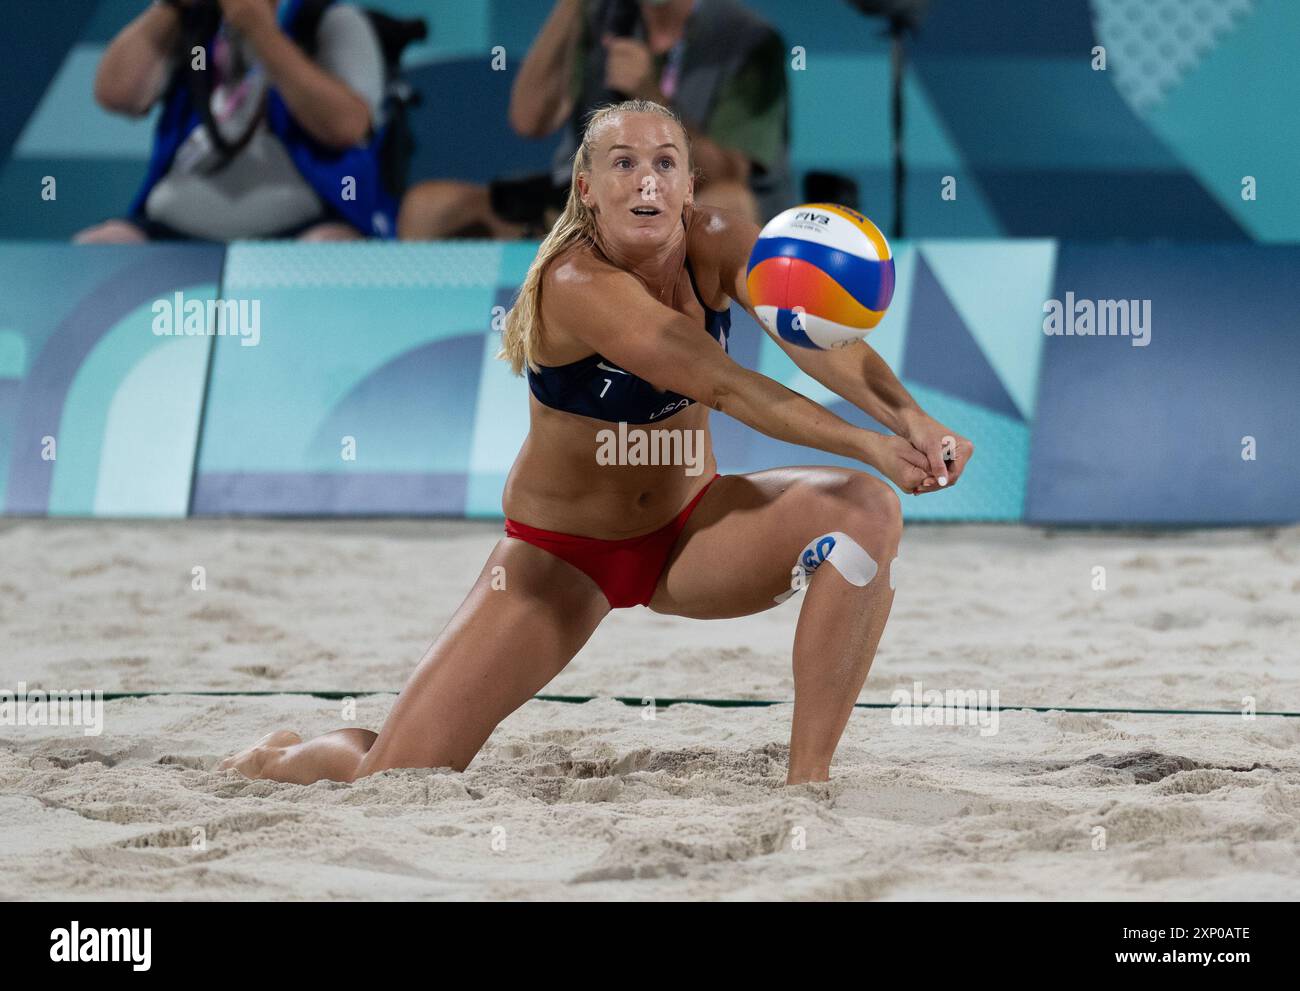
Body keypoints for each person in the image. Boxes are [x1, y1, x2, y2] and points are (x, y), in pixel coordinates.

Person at [219, 100, 974, 787]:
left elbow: (817, 335)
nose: (646, 180)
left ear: (687, 186)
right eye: (624, 163)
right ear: (587, 187)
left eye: (664, 163)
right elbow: (726, 384)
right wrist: (869, 442)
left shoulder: (715, 243)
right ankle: (279, 755)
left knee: (866, 512)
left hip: (691, 531)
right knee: (393, 775)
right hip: (560, 559)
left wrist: (911, 416)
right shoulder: (575, 282)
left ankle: (808, 783)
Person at [397, 0, 791, 240]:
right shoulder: (601, 15)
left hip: (676, 205)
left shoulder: (749, 39)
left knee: (727, 204)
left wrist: (650, 95)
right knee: (429, 208)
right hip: (585, 203)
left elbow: (729, 172)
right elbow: (528, 119)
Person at [76, 0, 391, 243]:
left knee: (330, 256)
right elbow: (117, 95)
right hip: (169, 229)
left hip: (301, 232)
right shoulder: (196, 25)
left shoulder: (329, 20)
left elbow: (347, 127)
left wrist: (261, 32)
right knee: (99, 248)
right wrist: (171, 7)